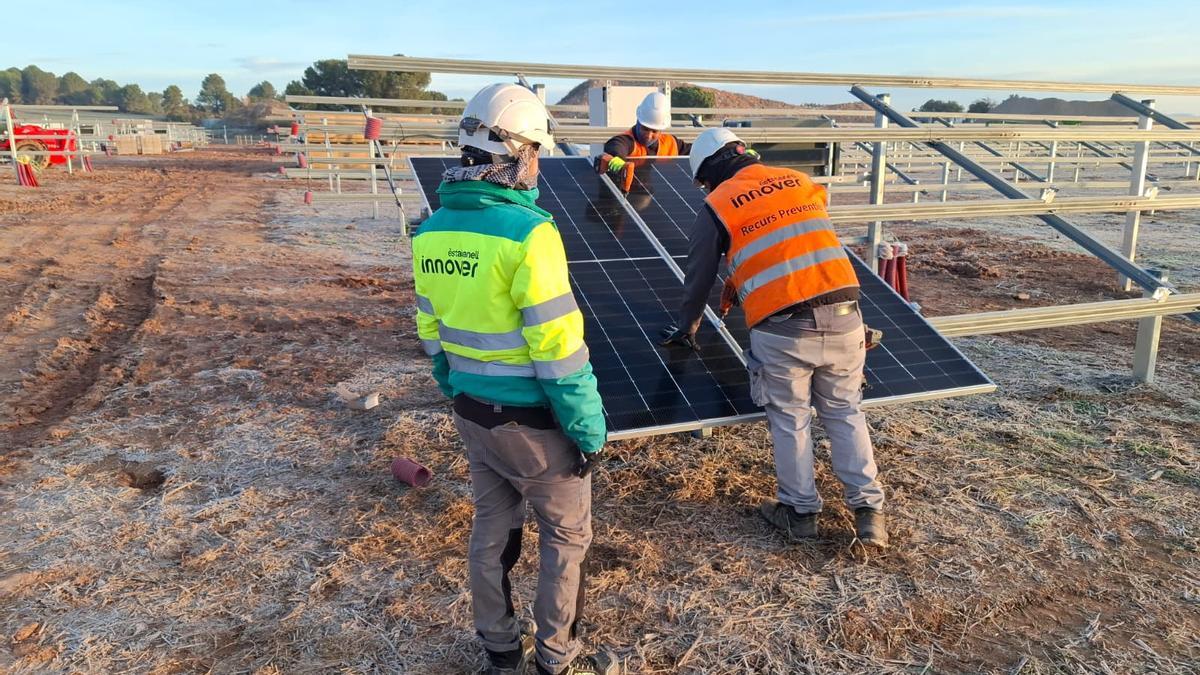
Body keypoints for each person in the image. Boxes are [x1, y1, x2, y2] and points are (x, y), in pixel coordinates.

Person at [412, 82, 620, 675]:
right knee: (566, 538)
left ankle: (500, 649)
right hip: (535, 426)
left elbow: (431, 330)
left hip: (474, 412)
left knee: (493, 527)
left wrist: (455, 391)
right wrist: (587, 429)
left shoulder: (431, 231)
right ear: (519, 152)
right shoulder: (529, 234)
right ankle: (557, 656)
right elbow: (557, 348)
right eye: (537, 154)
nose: (539, 167)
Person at [661, 127, 889, 548]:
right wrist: (746, 277)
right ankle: (869, 512)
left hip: (784, 329)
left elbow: (698, 277)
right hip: (847, 317)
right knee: (845, 412)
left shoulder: (718, 204)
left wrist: (687, 326)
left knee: (791, 418)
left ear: (710, 172)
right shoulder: (799, 180)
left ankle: (799, 512)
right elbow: (795, 239)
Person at [594, 91, 691, 181]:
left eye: (654, 131)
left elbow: (695, 152)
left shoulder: (671, 144)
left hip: (654, 195)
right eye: (645, 128)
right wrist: (618, 162)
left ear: (661, 130)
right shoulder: (627, 141)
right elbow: (616, 146)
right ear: (638, 121)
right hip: (625, 195)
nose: (648, 136)